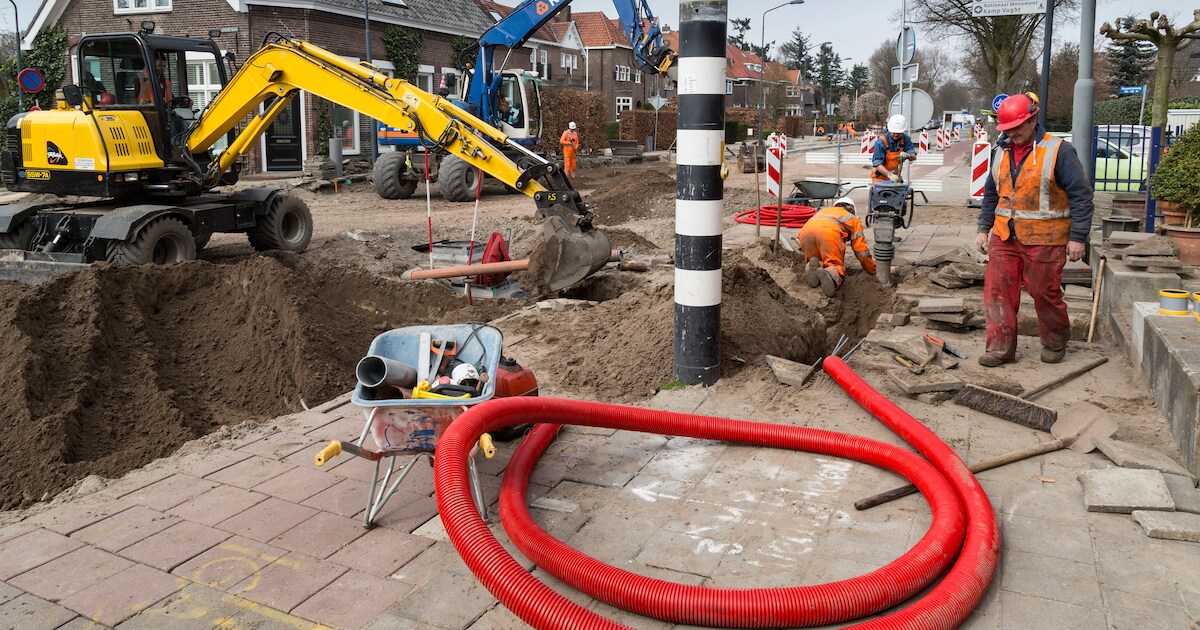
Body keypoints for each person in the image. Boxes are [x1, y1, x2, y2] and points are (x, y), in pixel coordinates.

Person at [975, 93, 1094, 367]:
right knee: (998, 293)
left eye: (1017, 127)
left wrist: (1078, 237)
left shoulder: (1059, 151)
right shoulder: (1000, 152)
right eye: (1007, 129)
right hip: (1004, 236)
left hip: (1045, 238)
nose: (1012, 133)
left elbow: (1081, 196)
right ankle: (999, 349)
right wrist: (983, 228)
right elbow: (991, 194)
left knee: (1044, 294)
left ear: (1032, 120)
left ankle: (1054, 342)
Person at [798, 197, 877, 297]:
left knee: (817, 260)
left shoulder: (824, 211)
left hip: (805, 233)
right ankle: (830, 276)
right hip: (829, 234)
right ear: (852, 210)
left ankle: (811, 266)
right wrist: (872, 269)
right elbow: (861, 250)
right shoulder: (852, 218)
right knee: (835, 266)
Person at [872, 114, 916, 186]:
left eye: (898, 133)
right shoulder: (881, 142)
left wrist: (908, 155)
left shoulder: (905, 139)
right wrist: (890, 175)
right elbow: (877, 164)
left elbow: (913, 157)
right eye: (894, 132)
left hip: (895, 178)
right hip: (880, 178)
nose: (896, 135)